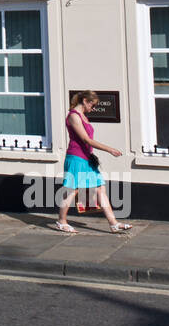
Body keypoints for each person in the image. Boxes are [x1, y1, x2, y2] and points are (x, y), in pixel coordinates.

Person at [54, 90, 131, 233]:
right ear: (84, 101)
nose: (94, 108)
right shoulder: (73, 116)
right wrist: (110, 149)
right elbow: (86, 140)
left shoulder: (83, 116)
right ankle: (61, 221)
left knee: (100, 188)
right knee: (72, 190)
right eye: (92, 105)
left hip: (87, 158)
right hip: (76, 158)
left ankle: (113, 223)